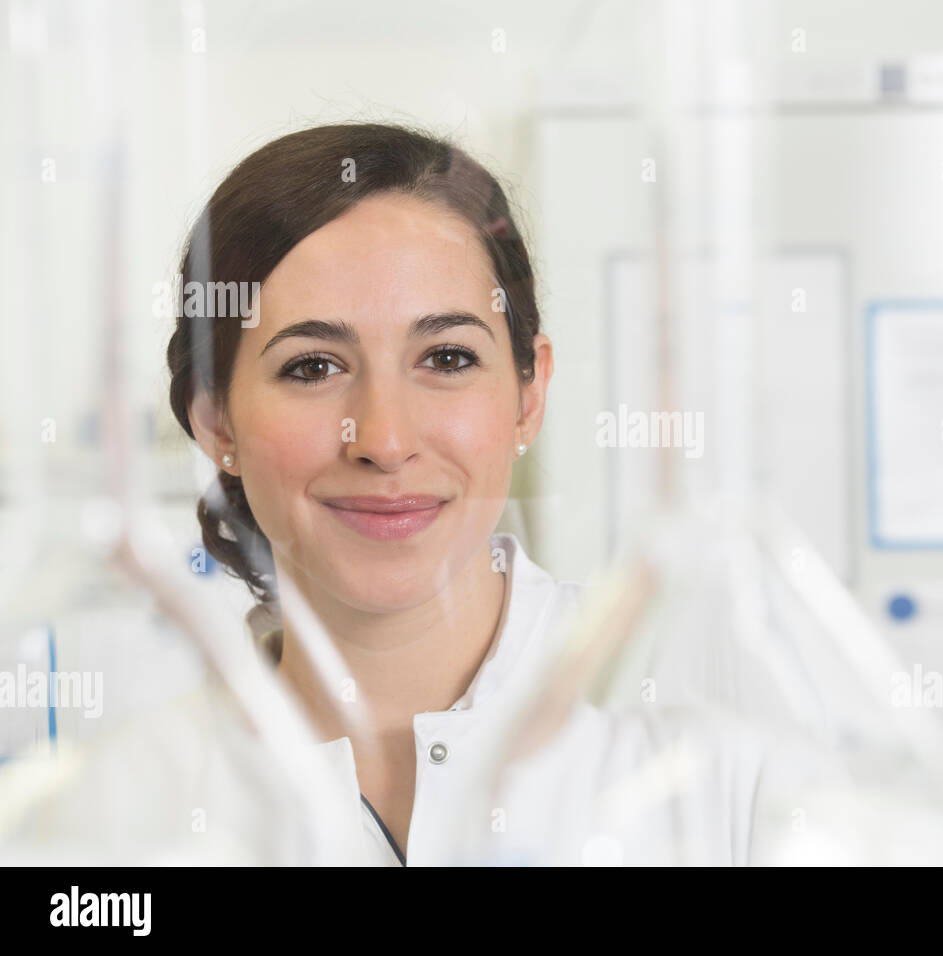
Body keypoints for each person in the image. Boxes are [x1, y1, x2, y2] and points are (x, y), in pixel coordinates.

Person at [165, 123, 762, 865]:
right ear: (216, 419)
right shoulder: (137, 802)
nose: (383, 439)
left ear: (528, 393)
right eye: (313, 367)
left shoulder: (718, 728)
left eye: (446, 358)